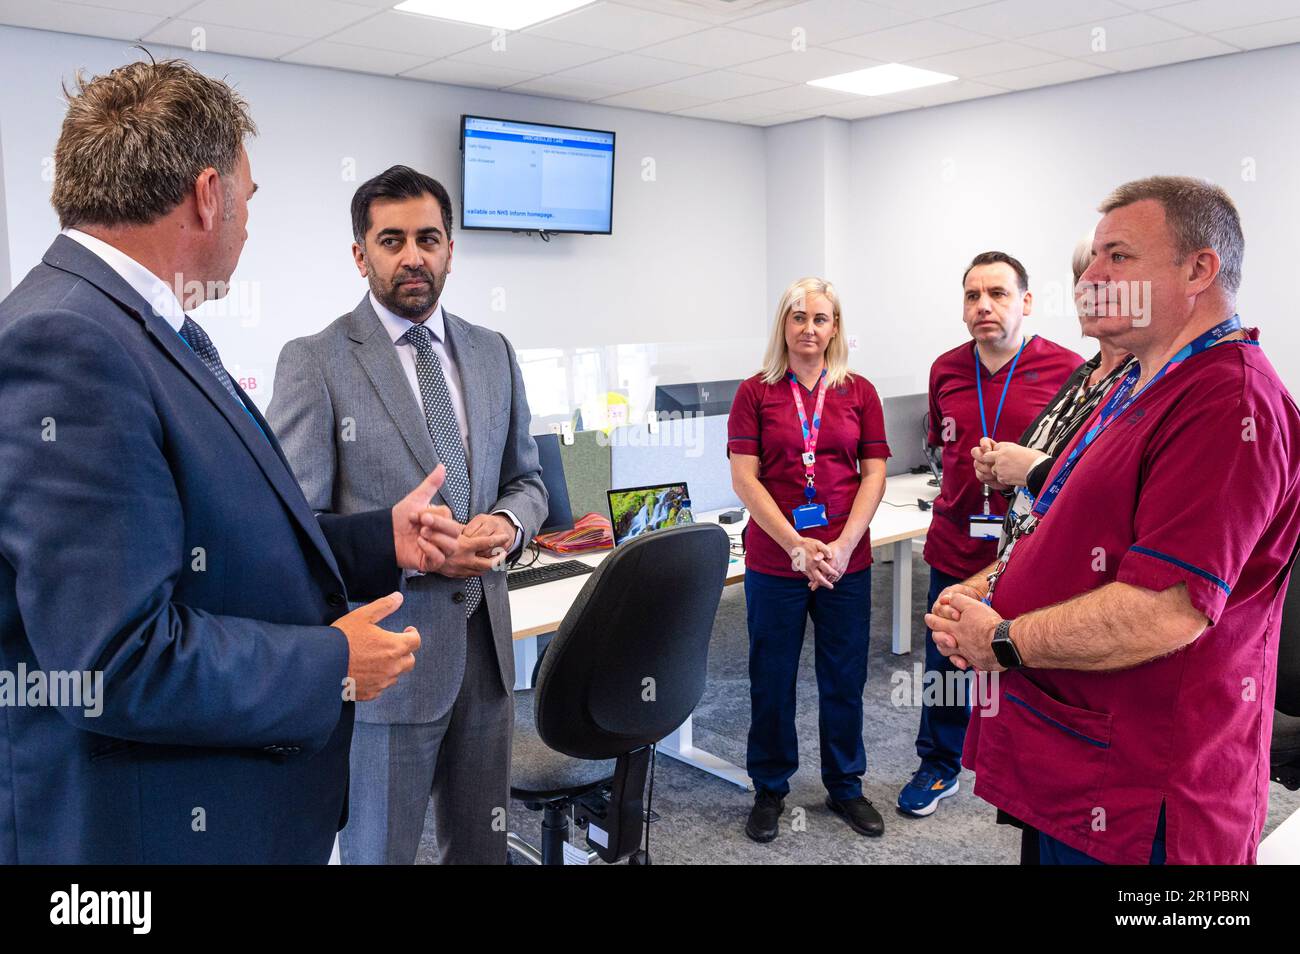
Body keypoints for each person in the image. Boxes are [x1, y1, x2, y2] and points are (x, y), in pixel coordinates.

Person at [0, 59, 462, 864]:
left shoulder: (136, 326)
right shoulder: (70, 341)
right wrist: (332, 664)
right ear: (207, 194)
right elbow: (115, 659)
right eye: (249, 198)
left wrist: (376, 541)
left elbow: (218, 542)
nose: (248, 221)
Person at [930, 176, 1300, 865]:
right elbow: (1069, 520)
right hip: (1073, 743)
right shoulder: (1134, 381)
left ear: (1198, 270)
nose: (1091, 277)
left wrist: (1002, 641)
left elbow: (1168, 609)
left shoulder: (1228, 402)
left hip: (1144, 781)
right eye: (1093, 259)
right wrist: (988, 584)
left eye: (1118, 257)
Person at [268, 165, 547, 865]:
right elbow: (291, 532)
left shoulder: (493, 353)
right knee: (379, 854)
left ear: (450, 249)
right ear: (361, 256)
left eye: (428, 238)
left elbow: (529, 479)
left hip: (487, 658)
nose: (413, 256)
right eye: (391, 240)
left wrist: (508, 526)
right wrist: (402, 547)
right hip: (388, 667)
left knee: (481, 853)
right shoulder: (316, 362)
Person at [899, 252, 1082, 819]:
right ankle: (939, 763)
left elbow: (1081, 462)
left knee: (1030, 657)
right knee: (947, 660)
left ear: (1025, 302)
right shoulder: (945, 370)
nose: (984, 305)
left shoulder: (1069, 369)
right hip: (957, 542)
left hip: (1030, 550)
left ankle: (1028, 773)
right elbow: (938, 444)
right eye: (973, 295)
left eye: (999, 294)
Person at [728, 277, 889, 842]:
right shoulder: (754, 392)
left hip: (847, 561)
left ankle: (846, 786)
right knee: (771, 678)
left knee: (843, 678)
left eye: (820, 319)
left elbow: (874, 474)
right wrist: (796, 546)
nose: (809, 329)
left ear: (835, 328)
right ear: (784, 326)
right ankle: (770, 788)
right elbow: (744, 478)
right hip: (777, 562)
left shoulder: (860, 392)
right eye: (798, 317)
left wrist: (841, 546)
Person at [972, 234, 1137, 560]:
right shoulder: (1083, 376)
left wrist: (1033, 468)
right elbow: (1044, 481)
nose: (1088, 289)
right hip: (1018, 562)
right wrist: (1006, 474)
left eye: (1107, 280)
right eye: (1081, 278)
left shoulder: (1144, 383)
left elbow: (1118, 499)